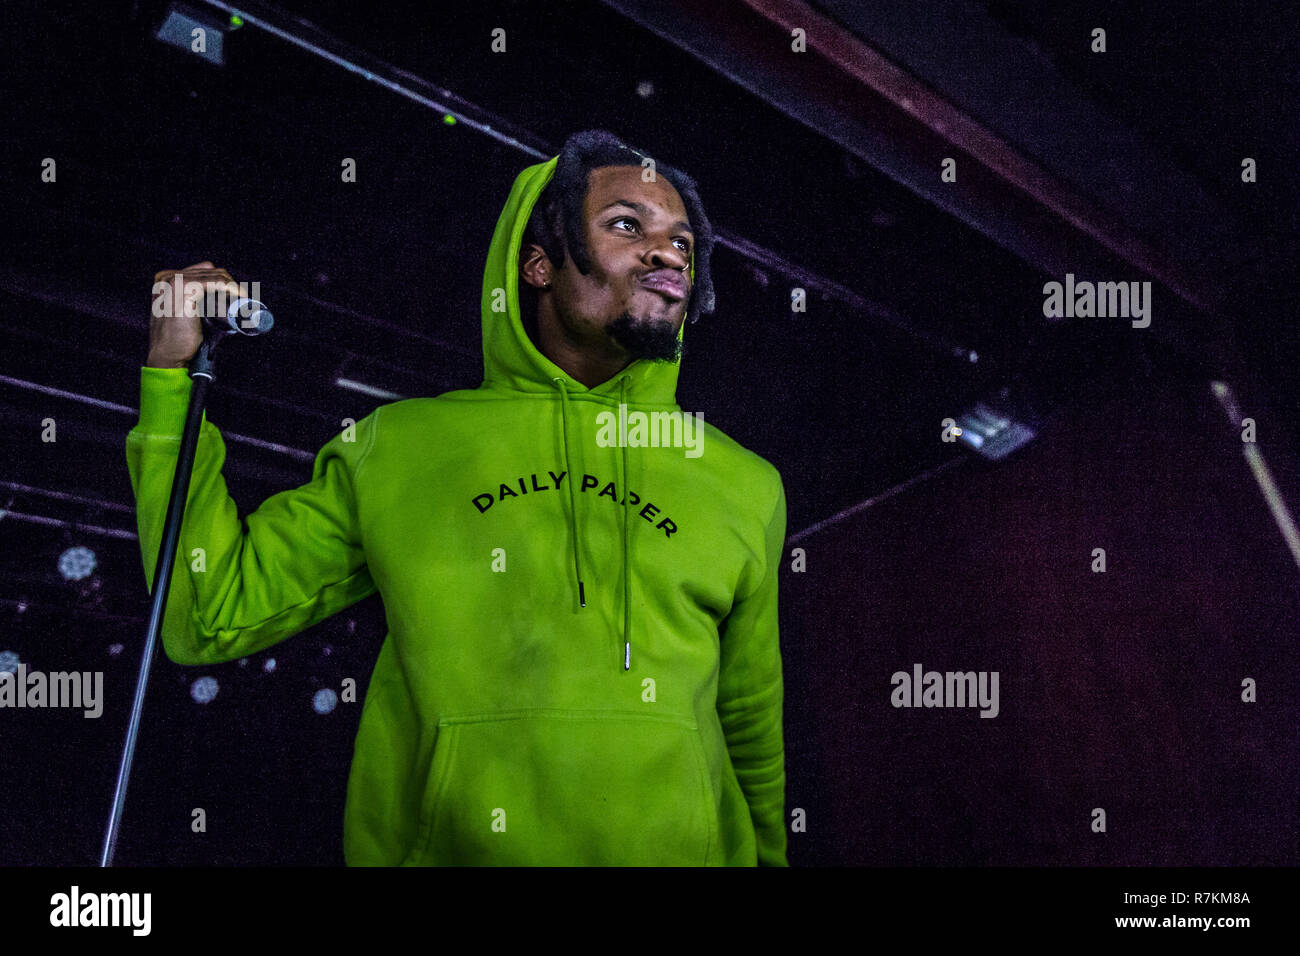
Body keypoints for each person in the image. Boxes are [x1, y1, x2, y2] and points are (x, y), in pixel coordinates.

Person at [128, 129, 789, 866]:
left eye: (683, 243)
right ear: (537, 265)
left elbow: (750, 725)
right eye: (627, 225)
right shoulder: (400, 446)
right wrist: (169, 380)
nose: (668, 254)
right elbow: (208, 615)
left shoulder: (743, 482)